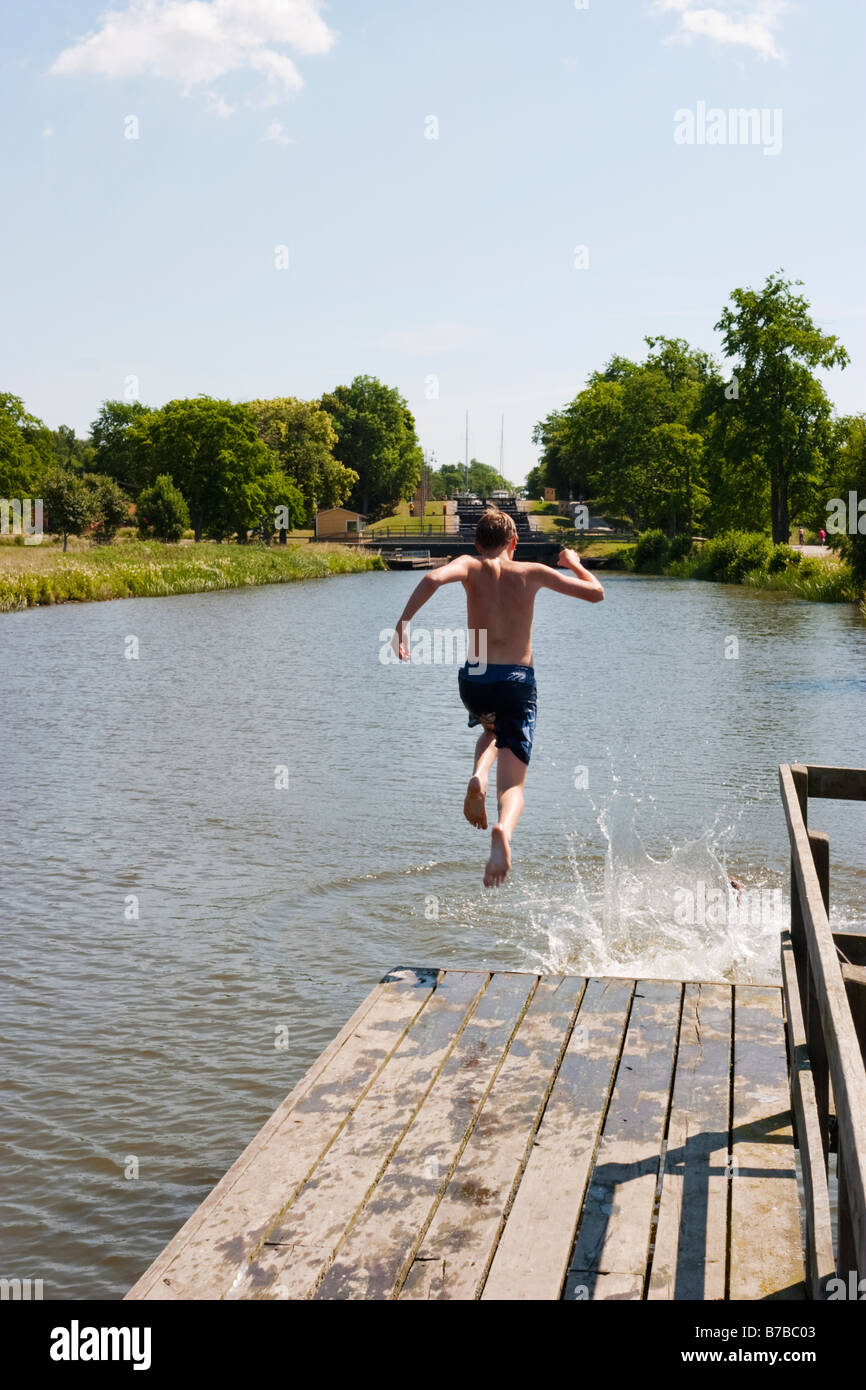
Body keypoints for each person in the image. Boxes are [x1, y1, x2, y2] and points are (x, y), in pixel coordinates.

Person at [393, 507, 605, 887]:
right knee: (514, 785)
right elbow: (596, 594)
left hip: (474, 679)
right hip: (517, 679)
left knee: (491, 729)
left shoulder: (469, 566)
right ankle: (503, 831)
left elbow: (431, 577)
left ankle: (477, 774)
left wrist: (404, 622)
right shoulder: (533, 573)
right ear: (515, 542)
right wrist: (573, 563)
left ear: (476, 543)